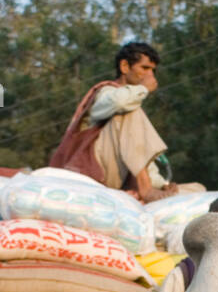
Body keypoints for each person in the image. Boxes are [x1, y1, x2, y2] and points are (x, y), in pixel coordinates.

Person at [49, 41, 204, 202]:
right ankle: (145, 189)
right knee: (128, 110)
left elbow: (138, 154)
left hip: (119, 176)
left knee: (198, 189)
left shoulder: (132, 107)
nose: (150, 76)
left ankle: (148, 189)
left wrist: (163, 185)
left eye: (153, 70)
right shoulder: (107, 92)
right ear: (124, 66)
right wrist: (143, 89)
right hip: (93, 171)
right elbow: (118, 102)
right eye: (144, 68)